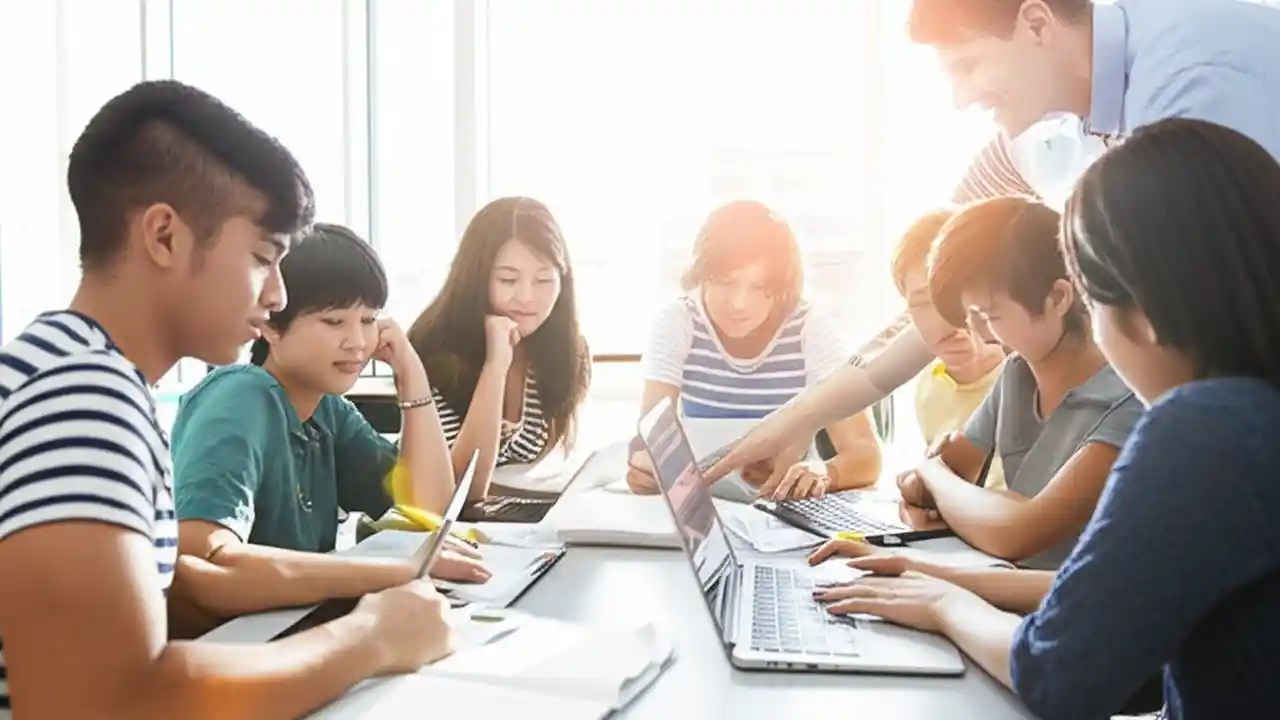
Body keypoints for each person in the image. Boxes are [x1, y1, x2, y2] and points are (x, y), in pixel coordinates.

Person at [0, 80, 453, 719]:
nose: (274, 296)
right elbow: (99, 702)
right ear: (164, 236)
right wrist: (370, 637)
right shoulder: (83, 397)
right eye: (263, 258)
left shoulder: (69, 370)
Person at [811, 119, 1280, 718]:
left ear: (1145, 308)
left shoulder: (1207, 429)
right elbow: (1117, 617)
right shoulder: (1255, 414)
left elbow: (1058, 675)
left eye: (1095, 303)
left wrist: (947, 606)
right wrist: (929, 574)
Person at [707, 0, 1280, 484]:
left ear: (1035, 23)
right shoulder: (1052, 122)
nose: (961, 99)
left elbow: (1223, 335)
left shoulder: (1189, 91)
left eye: (969, 64)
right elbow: (937, 286)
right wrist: (793, 424)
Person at [170, 223, 489, 635]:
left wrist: (412, 377)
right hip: (223, 651)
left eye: (369, 319)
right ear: (271, 325)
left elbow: (430, 509)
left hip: (288, 632)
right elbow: (202, 562)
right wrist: (391, 571)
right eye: (334, 321)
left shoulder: (329, 412)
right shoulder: (240, 396)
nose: (358, 341)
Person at [908, 196, 1140, 568]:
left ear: (1058, 297)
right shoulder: (1017, 376)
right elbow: (940, 481)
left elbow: (1017, 534)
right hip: (1010, 588)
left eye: (990, 316)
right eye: (972, 317)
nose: (981, 335)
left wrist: (931, 473)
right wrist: (936, 482)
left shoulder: (1127, 400)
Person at [627, 201, 881, 501]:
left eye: (760, 287)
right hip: (705, 506)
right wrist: (644, 465)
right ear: (702, 273)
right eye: (725, 282)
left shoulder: (810, 328)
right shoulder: (678, 321)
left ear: (784, 287)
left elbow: (866, 457)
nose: (739, 304)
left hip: (784, 507)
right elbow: (650, 436)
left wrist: (823, 473)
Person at [407, 197, 590, 499]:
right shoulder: (433, 347)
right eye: (508, 279)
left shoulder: (564, 350)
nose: (526, 297)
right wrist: (495, 366)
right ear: (476, 278)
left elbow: (538, 466)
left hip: (515, 523)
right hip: (447, 524)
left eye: (544, 279)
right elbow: (460, 485)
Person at [891, 209, 1007, 490]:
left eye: (953, 297)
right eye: (922, 302)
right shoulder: (930, 385)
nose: (944, 320)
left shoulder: (1027, 378)